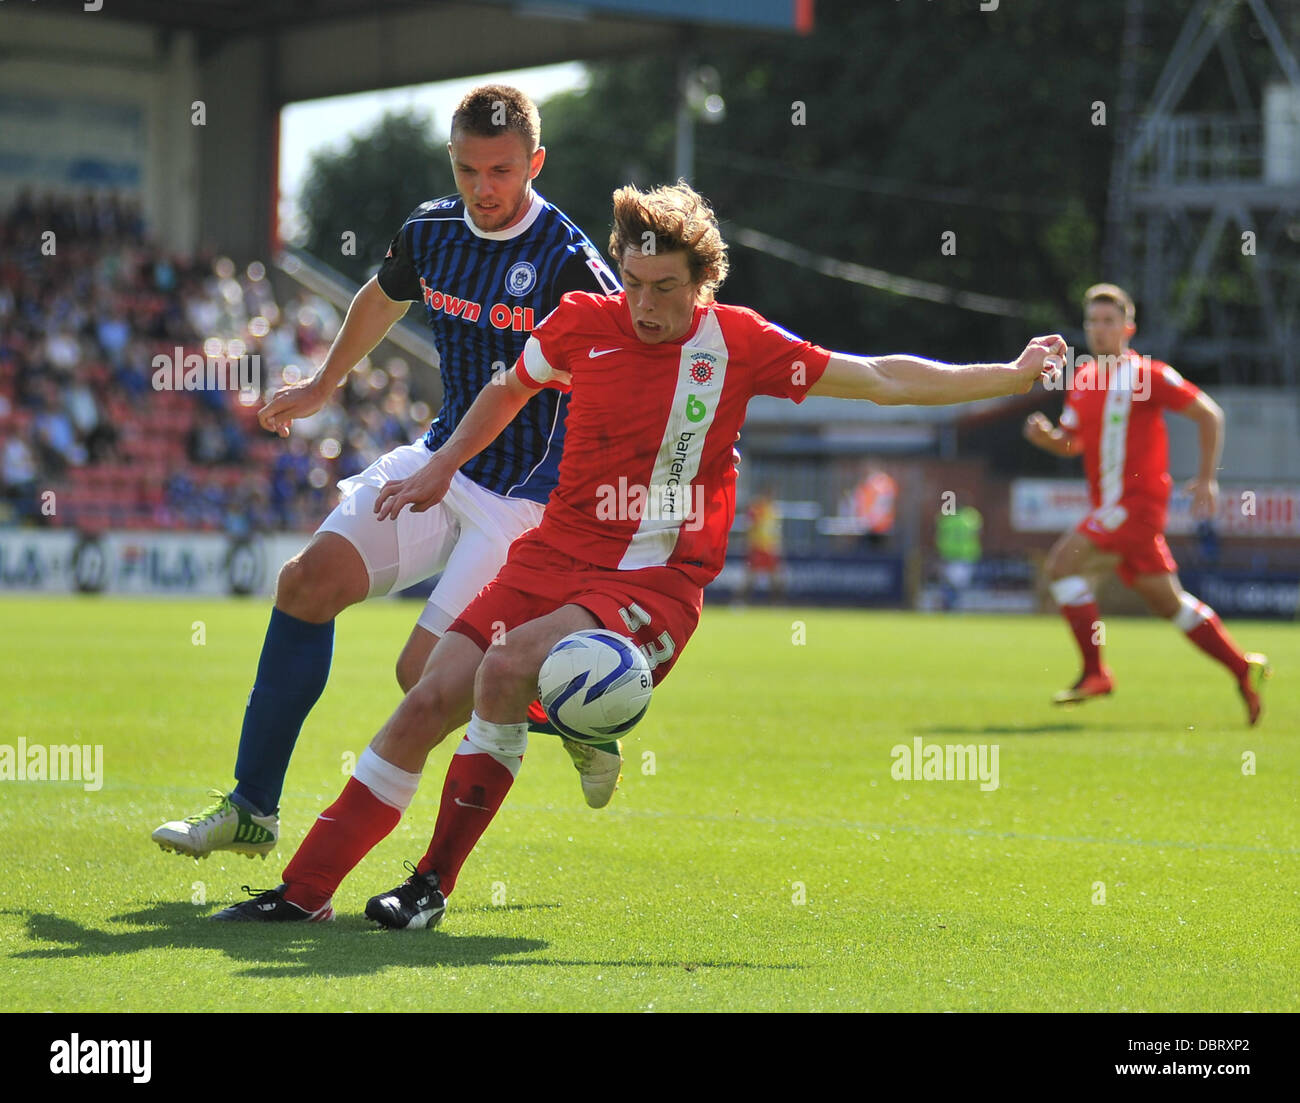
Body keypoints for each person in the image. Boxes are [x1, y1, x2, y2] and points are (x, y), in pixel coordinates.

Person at [211, 180, 1066, 924]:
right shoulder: (585, 321)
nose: (646, 303)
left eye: (665, 287)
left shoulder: (739, 344)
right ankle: (305, 888)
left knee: (504, 671)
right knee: (431, 689)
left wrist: (1010, 371)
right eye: (634, 280)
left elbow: (880, 377)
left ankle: (430, 884)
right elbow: (510, 387)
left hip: (655, 579)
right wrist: (442, 466)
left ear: (704, 281)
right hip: (555, 552)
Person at [153, 85, 624, 861]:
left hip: (522, 500)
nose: (484, 187)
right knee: (306, 582)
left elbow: (618, 376)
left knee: (422, 676)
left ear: (536, 162)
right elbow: (382, 296)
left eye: (502, 169)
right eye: (469, 168)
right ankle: (251, 808)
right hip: (439, 459)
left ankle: (571, 701)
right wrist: (323, 382)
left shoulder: (569, 261)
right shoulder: (433, 229)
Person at [1023, 283, 1269, 722]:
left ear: (1128, 327)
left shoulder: (1148, 376)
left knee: (1062, 565)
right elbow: (1073, 443)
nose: (1099, 330)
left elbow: (1208, 413)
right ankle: (1243, 669)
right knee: (1168, 603)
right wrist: (1049, 440)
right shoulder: (1082, 379)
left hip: (1135, 506)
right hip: (1114, 509)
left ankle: (1096, 672)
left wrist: (1208, 479)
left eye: (1109, 322)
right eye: (1093, 322)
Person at [740, 486, 784, 601]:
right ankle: (740, 601)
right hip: (758, 546)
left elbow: (775, 531)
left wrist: (777, 545)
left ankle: (777, 603)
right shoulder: (758, 507)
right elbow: (749, 524)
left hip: (770, 547)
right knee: (750, 578)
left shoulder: (774, 509)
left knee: (776, 578)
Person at [935, 503, 982, 611]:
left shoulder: (947, 518)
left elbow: (939, 534)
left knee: (949, 582)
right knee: (959, 584)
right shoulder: (971, 517)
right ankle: (953, 605)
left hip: (948, 554)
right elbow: (978, 532)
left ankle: (949, 604)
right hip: (966, 555)